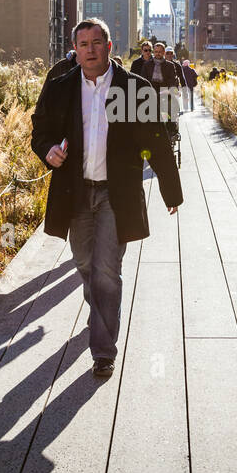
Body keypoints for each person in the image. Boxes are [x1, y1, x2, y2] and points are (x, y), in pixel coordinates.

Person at [31, 19, 182, 378]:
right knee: (85, 264)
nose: (90, 50)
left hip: (119, 194)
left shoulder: (133, 88)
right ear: (75, 49)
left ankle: (103, 350)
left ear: (109, 46)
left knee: (107, 271)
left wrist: (170, 190)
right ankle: (100, 312)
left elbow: (156, 142)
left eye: (96, 43)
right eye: (83, 44)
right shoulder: (60, 88)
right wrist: (48, 150)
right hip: (77, 193)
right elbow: (41, 130)